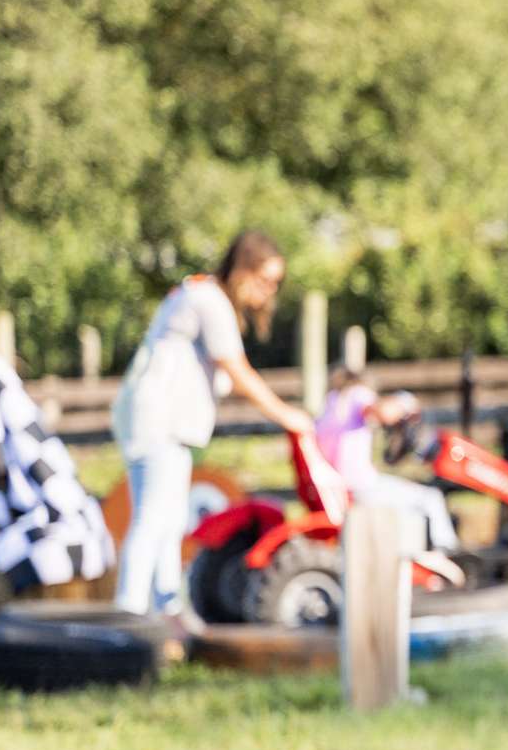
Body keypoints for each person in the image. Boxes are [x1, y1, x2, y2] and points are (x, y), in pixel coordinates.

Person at [111, 232, 315, 616]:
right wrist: (286, 414)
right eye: (265, 280)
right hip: (157, 423)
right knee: (153, 519)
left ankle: (167, 612)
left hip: (165, 426)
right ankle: (129, 613)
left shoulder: (204, 297)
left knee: (170, 521)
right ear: (242, 270)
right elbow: (236, 369)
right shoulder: (208, 299)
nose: (270, 291)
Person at [314, 369, 459, 551]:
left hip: (340, 486)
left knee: (408, 504)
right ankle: (446, 552)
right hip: (359, 486)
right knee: (430, 499)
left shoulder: (331, 403)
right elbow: (384, 411)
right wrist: (406, 404)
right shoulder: (357, 394)